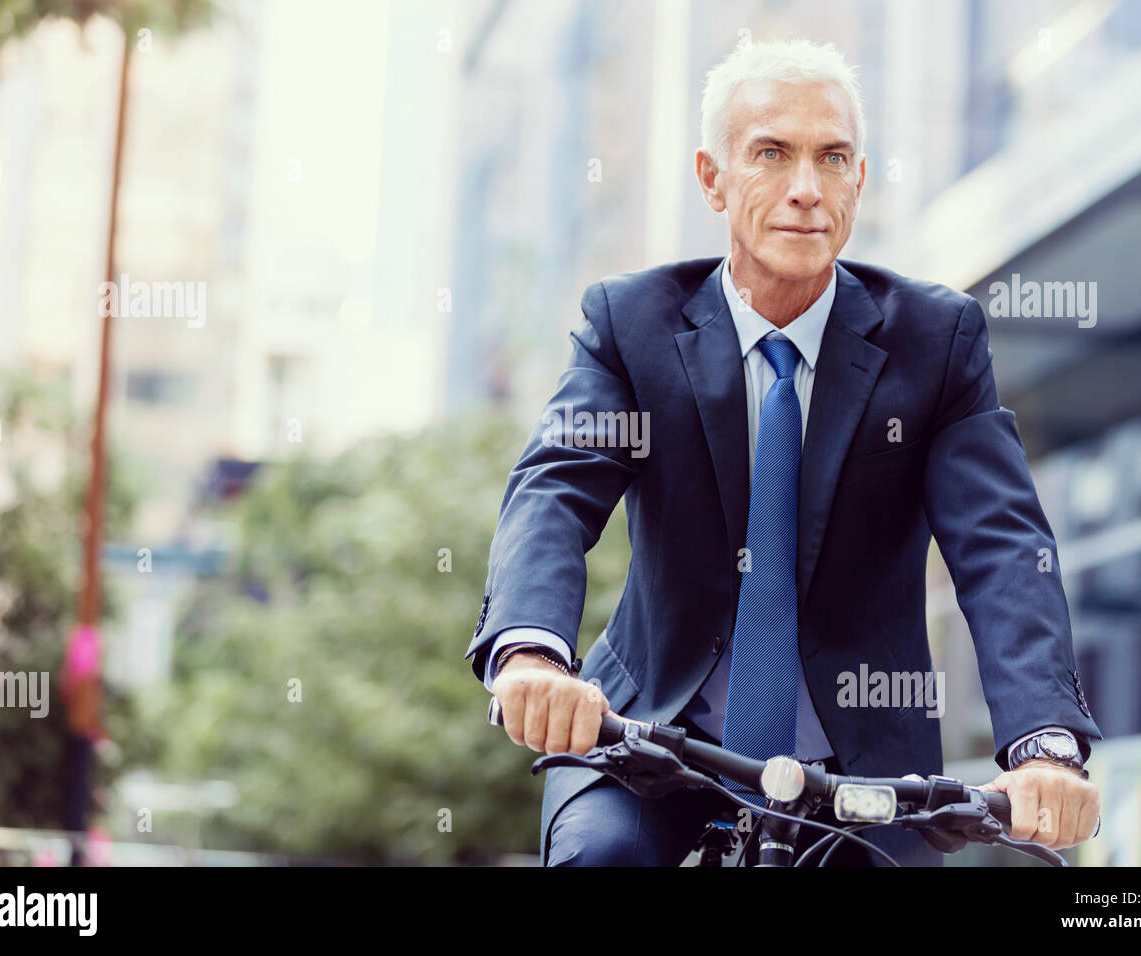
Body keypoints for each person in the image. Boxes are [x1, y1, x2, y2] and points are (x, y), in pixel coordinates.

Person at [464, 39, 1102, 866]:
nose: (806, 189)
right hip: (653, 741)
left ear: (858, 183)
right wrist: (530, 652)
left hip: (868, 771)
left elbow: (1003, 549)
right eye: (771, 153)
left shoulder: (936, 343)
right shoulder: (633, 325)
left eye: (832, 158)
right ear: (712, 177)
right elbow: (554, 492)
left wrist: (1045, 745)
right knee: (601, 860)